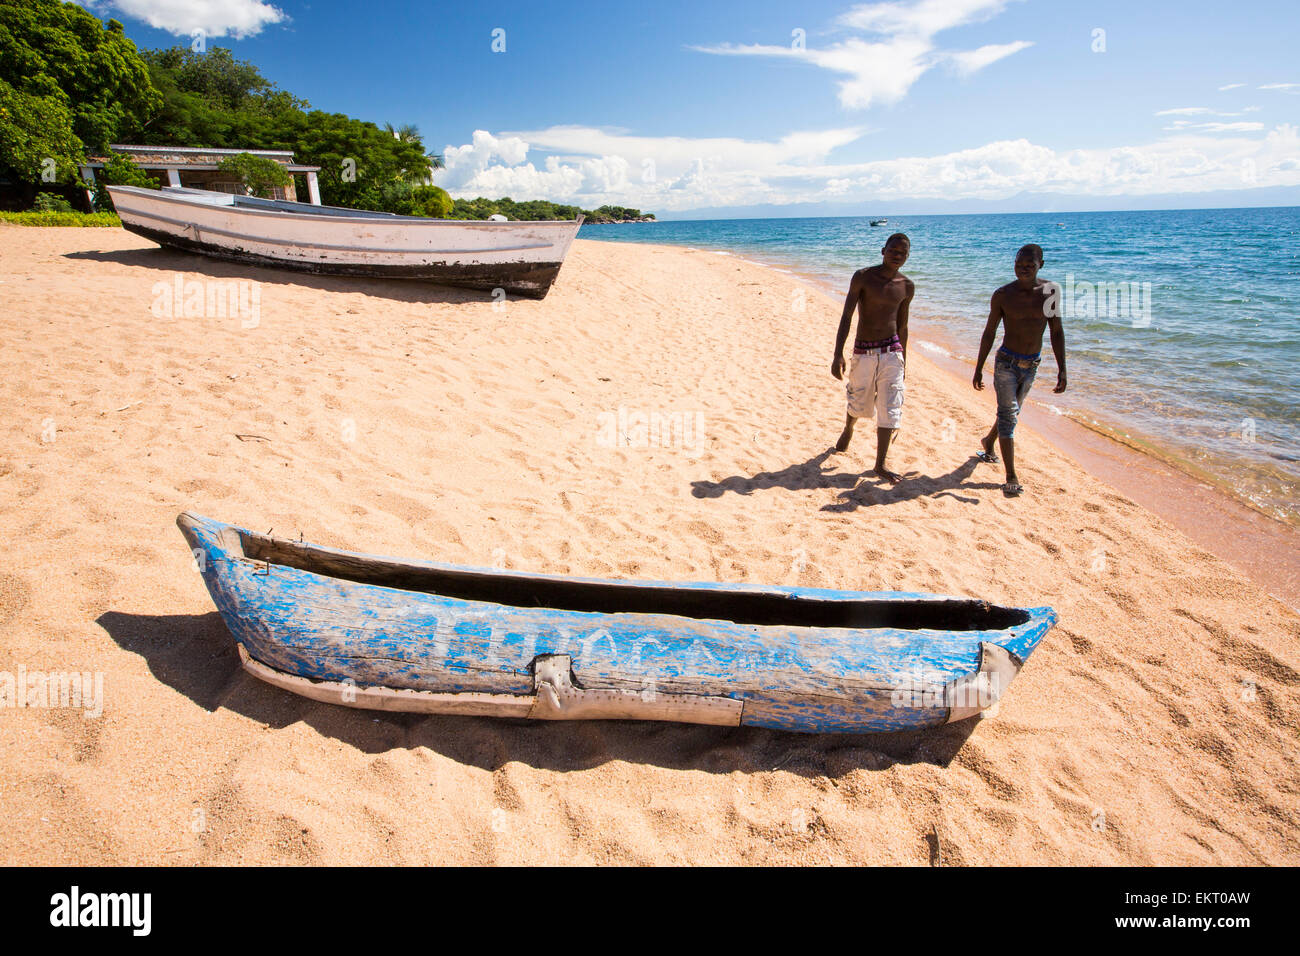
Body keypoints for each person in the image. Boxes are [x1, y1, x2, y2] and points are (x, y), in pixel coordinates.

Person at [972, 243, 1067, 496]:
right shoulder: (1003, 295)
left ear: (1041, 265)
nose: (1023, 269)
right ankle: (1010, 475)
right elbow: (989, 332)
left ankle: (989, 441)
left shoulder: (1050, 292)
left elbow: (1056, 331)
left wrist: (1062, 370)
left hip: (1032, 365)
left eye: (1030, 265)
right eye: (1019, 265)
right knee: (1008, 415)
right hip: (1006, 363)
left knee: (1010, 413)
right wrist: (979, 367)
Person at [831, 233, 914, 483]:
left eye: (902, 252)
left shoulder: (906, 286)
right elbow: (847, 316)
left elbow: (903, 326)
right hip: (864, 351)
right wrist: (838, 354)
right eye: (892, 250)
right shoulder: (863, 277)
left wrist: (904, 360)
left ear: (907, 257)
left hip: (892, 351)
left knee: (891, 405)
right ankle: (849, 427)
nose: (896, 255)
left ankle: (880, 464)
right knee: (858, 399)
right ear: (883, 250)